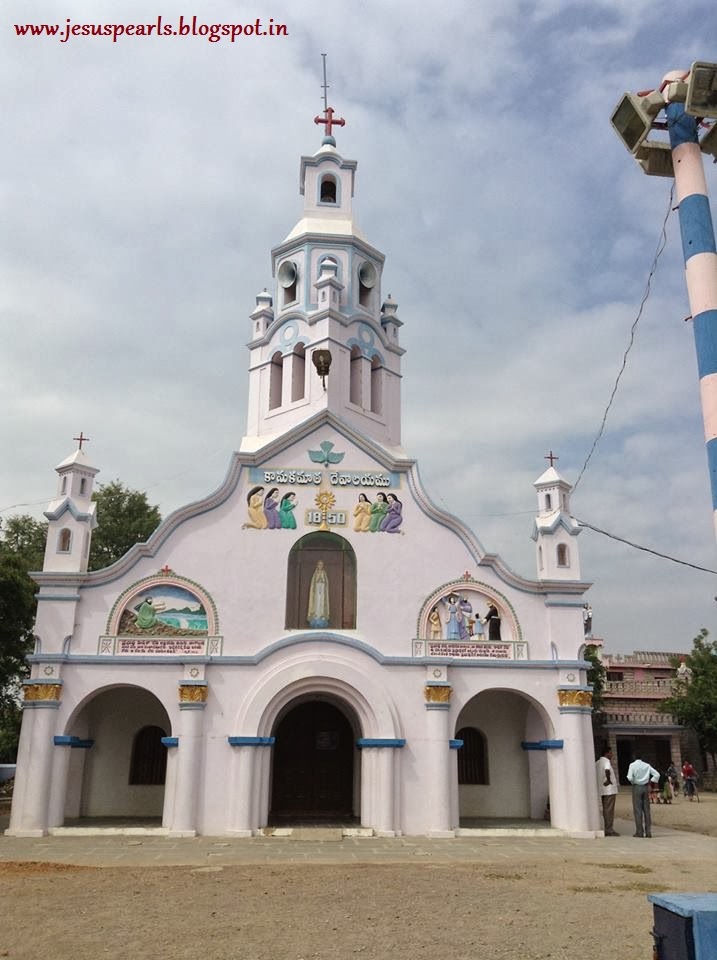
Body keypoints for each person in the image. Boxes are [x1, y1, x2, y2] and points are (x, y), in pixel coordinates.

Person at [626, 755, 660, 837]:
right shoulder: (647, 765)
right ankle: (648, 832)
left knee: (638, 810)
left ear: (634, 758)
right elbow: (657, 774)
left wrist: (634, 781)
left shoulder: (632, 765)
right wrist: (651, 782)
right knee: (647, 810)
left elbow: (629, 777)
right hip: (645, 787)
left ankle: (639, 832)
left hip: (637, 787)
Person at [595, 747, 619, 836]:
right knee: (609, 810)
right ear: (606, 753)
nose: (612, 755)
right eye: (610, 753)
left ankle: (608, 828)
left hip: (602, 789)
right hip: (609, 790)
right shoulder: (606, 761)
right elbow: (607, 770)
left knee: (606, 810)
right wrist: (608, 780)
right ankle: (609, 830)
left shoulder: (597, 763)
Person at [307, 560, 330, 628]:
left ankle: (322, 615)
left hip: (322, 591)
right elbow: (313, 585)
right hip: (316, 591)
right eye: (319, 564)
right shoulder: (315, 574)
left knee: (322, 603)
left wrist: (322, 583)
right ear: (317, 565)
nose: (320, 566)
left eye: (321, 565)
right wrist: (317, 583)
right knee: (316, 602)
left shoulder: (324, 574)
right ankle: (316, 615)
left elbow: (326, 584)